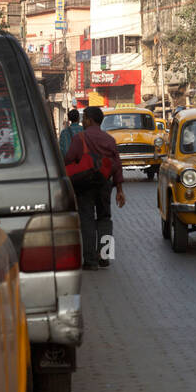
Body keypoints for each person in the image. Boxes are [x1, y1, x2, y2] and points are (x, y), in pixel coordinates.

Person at [65, 106, 125, 270]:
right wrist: (119, 189)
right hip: (105, 184)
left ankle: (90, 261)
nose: (83, 122)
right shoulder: (109, 140)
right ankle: (105, 257)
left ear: (89, 120)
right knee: (105, 218)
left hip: (84, 185)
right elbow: (117, 165)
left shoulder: (80, 138)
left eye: (84, 119)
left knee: (87, 220)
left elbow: (69, 159)